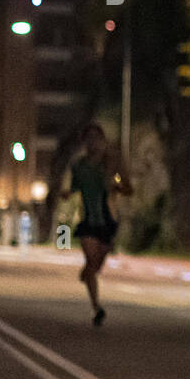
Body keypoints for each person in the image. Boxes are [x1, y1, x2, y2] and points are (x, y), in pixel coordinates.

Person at [69, 124, 132, 326]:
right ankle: (96, 307)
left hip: (107, 220)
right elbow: (73, 187)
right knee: (91, 256)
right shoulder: (79, 166)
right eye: (89, 138)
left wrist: (117, 187)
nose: (93, 143)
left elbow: (129, 188)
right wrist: (66, 193)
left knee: (96, 265)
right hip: (88, 220)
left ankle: (87, 271)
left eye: (97, 138)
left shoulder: (113, 163)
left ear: (103, 141)